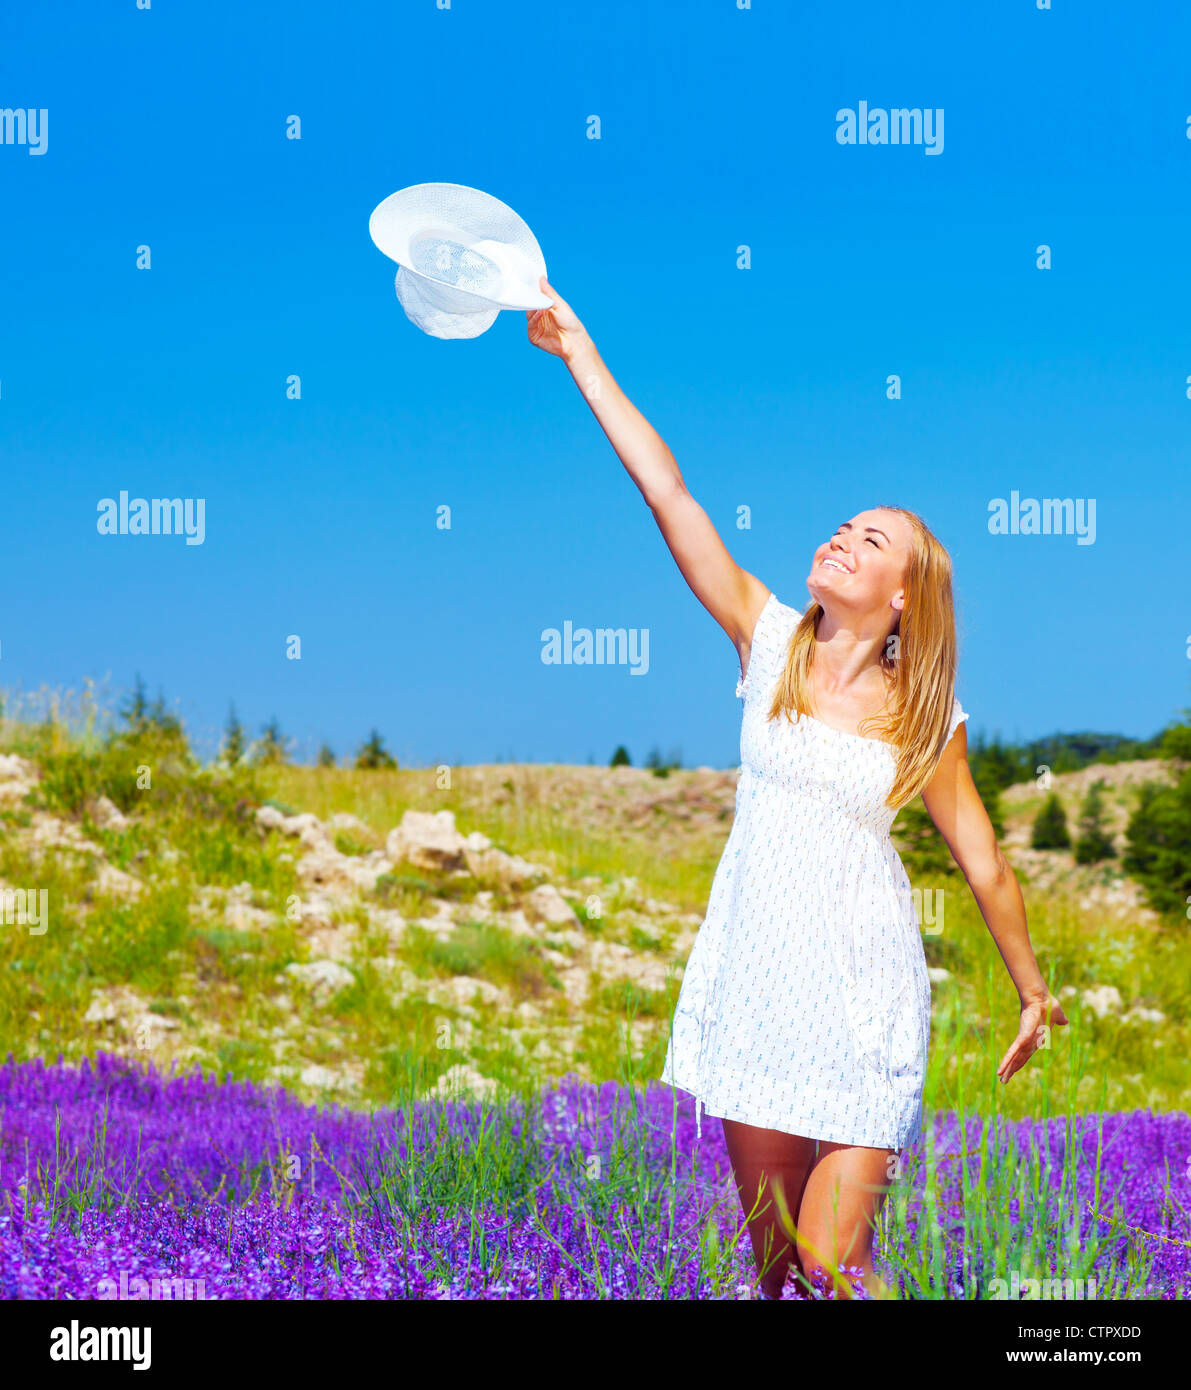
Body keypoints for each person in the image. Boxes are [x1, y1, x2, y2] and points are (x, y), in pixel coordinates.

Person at [527, 277, 1068, 1300]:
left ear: (906, 593)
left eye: (872, 540)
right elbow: (669, 495)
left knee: (834, 1266)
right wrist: (580, 353)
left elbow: (986, 864)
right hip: (759, 985)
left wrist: (1033, 988)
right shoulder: (766, 636)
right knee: (777, 1274)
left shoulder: (923, 718)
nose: (841, 539)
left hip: (865, 996)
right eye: (842, 526)